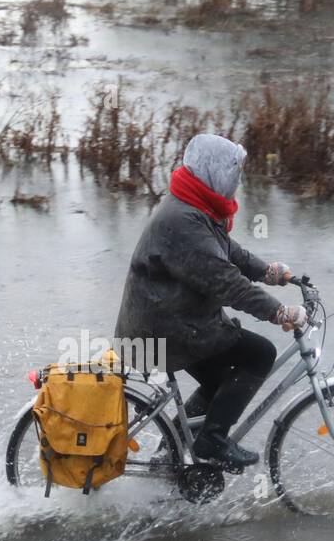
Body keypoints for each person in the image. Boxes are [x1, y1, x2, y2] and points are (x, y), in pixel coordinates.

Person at [114, 133, 306, 470]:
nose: (238, 180)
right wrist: (278, 312)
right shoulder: (184, 220)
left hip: (162, 323)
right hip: (164, 331)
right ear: (215, 170)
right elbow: (227, 283)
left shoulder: (193, 204)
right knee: (259, 353)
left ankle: (171, 454)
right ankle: (211, 440)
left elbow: (227, 251)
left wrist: (270, 272)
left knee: (221, 379)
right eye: (234, 171)